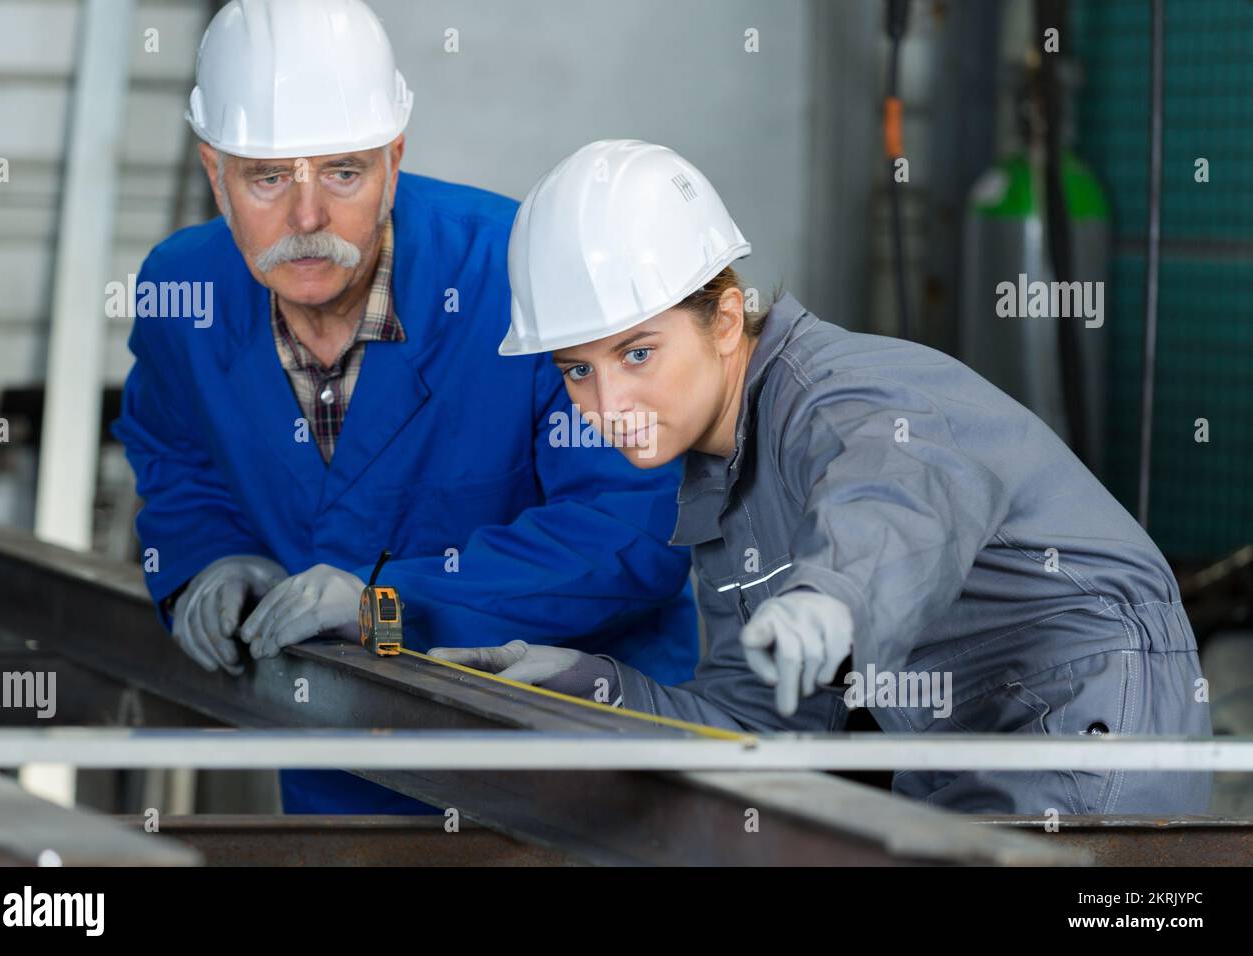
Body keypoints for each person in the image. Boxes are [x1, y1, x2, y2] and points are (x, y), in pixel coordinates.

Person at [431, 139, 1213, 815]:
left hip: (1084, 706)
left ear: (727, 318)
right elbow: (763, 724)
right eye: (577, 370)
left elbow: (898, 500)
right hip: (961, 746)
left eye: (638, 354)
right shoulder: (716, 486)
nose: (609, 404)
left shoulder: (840, 398)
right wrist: (593, 687)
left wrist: (827, 601)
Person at [113, 6, 699, 814]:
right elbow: (177, 459)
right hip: (349, 771)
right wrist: (212, 556)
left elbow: (636, 526)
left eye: (344, 173)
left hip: (580, 765)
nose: (308, 217)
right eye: (268, 178)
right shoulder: (184, 293)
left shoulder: (524, 273)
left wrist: (385, 601)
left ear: (394, 158)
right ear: (215, 172)